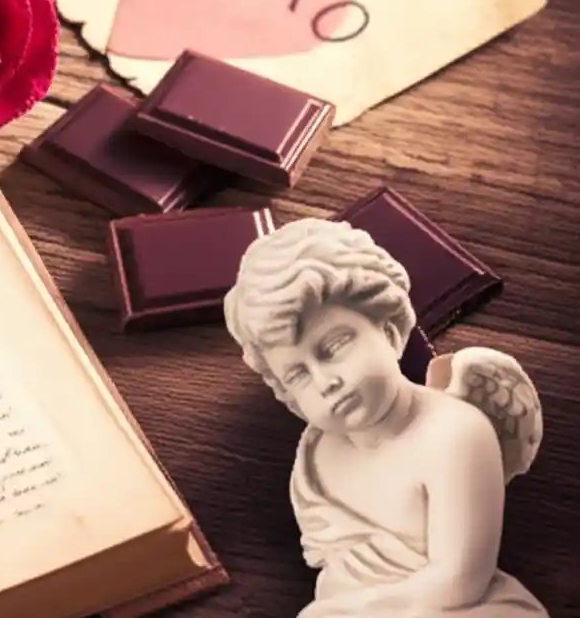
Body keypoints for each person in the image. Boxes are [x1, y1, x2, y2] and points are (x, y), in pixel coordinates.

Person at [223, 218, 546, 617]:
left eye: (334, 347)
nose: (325, 382)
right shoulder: (317, 451)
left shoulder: (455, 435)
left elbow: (459, 581)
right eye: (298, 375)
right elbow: (337, 571)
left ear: (390, 331)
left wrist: (349, 610)